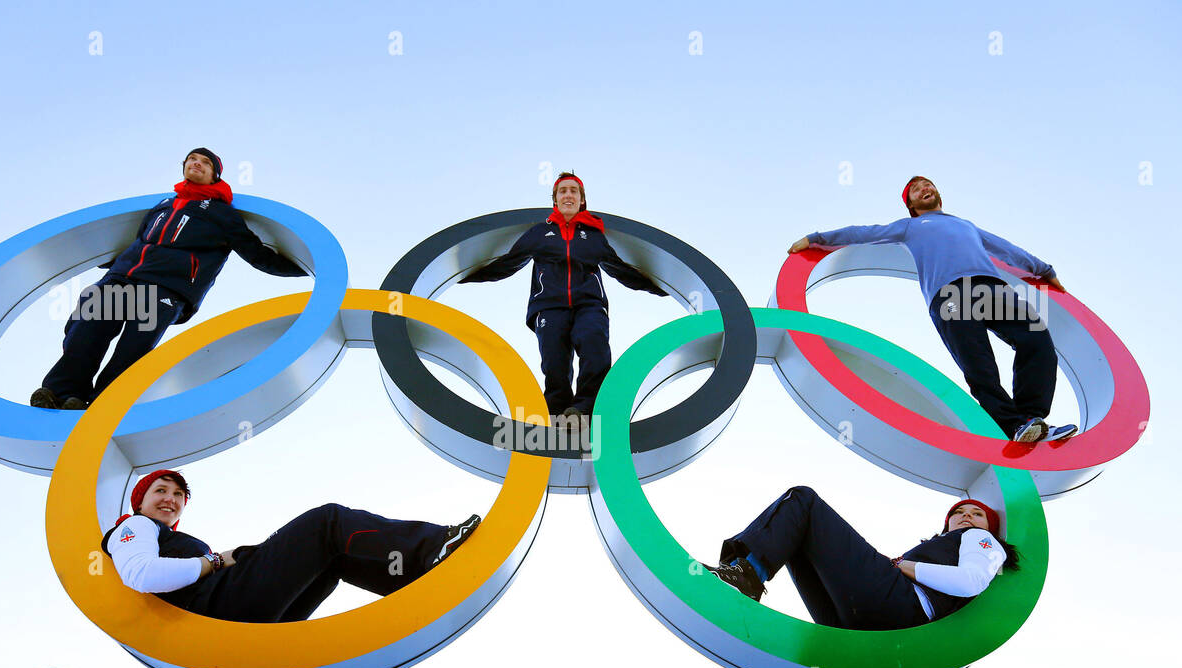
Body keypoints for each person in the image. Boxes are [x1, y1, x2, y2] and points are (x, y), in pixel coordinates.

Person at [788, 176, 1077, 444]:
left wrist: (1044, 269)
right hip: (949, 294)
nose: (924, 188)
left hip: (990, 288)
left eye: (927, 184)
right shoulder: (910, 226)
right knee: (979, 366)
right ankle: (1012, 426)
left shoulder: (965, 225)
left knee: (1036, 338)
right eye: (916, 189)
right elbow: (864, 233)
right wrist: (816, 238)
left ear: (938, 193)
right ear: (912, 207)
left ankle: (1031, 418)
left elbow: (1007, 249)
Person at [31, 148, 307, 410]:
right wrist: (104, 260)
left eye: (205, 162)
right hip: (121, 279)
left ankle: (105, 404)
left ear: (215, 175)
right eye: (191, 159)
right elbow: (140, 242)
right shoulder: (163, 205)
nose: (196, 163)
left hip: (165, 287)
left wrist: (306, 267)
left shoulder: (223, 214)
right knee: (86, 330)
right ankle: (64, 393)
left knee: (134, 347)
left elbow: (255, 253)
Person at [102, 469, 481, 624]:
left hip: (246, 618)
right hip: (225, 608)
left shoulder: (163, 534)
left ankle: (416, 586)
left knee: (331, 559)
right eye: (160, 491)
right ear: (139, 501)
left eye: (179, 494)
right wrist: (216, 560)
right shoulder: (133, 525)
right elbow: (142, 575)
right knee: (326, 521)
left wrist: (231, 560)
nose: (171, 499)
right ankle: (431, 548)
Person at [458, 172, 668, 429]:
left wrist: (658, 288)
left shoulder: (593, 236)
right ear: (555, 200)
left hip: (589, 304)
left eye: (573, 191)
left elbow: (619, 269)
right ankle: (557, 419)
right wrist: (466, 275)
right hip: (549, 307)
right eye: (562, 191)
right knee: (554, 363)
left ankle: (584, 411)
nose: (568, 195)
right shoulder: (539, 233)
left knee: (595, 347)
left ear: (582, 200)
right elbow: (510, 262)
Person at [707, 486, 1019, 631]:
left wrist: (905, 566)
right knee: (798, 537)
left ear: (990, 526)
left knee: (803, 501)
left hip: (903, 606)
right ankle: (741, 576)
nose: (967, 516)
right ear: (946, 524)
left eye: (977, 514)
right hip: (859, 621)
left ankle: (744, 578)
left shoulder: (982, 540)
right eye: (959, 513)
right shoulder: (945, 543)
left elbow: (972, 581)